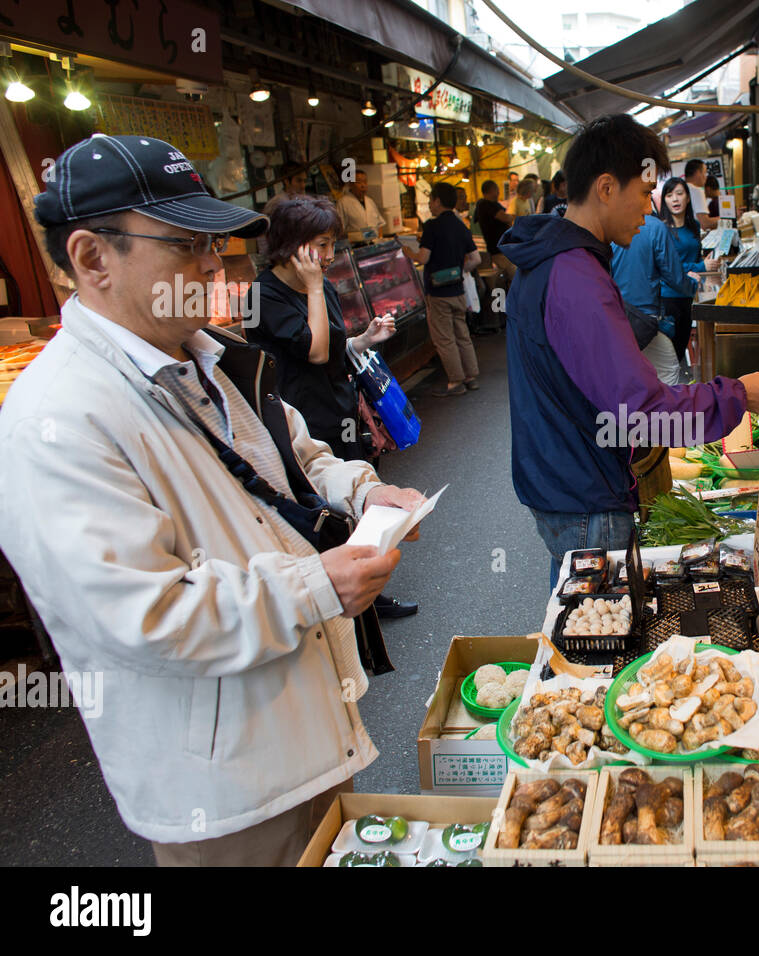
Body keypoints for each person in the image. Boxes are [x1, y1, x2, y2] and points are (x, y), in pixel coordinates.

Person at [1, 134, 427, 865]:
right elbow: (145, 613)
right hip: (226, 787)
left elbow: (292, 450)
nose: (211, 265)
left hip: (307, 727)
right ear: (92, 257)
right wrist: (315, 585)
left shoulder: (205, 353)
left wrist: (361, 487)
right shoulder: (57, 419)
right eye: (185, 245)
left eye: (215, 245)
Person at [497, 114, 759, 588]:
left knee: (574, 618)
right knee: (599, 638)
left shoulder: (549, 259)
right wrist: (737, 395)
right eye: (644, 191)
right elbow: (641, 410)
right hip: (585, 492)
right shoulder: (575, 278)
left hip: (559, 479)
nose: (650, 208)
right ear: (607, 187)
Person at [247, 195, 419, 621]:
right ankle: (334, 598)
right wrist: (310, 288)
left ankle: (368, 593)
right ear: (291, 243)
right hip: (301, 420)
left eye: (331, 245)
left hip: (339, 408)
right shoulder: (263, 295)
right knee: (323, 509)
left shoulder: (321, 285)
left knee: (359, 498)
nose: (328, 256)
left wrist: (365, 339)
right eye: (320, 245)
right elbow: (317, 351)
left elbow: (337, 348)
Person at [405, 180, 481, 396]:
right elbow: (475, 259)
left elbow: (423, 257)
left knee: (444, 338)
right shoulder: (460, 225)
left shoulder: (432, 226)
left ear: (438, 201)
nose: (429, 204)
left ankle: (455, 381)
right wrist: (457, 271)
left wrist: (408, 253)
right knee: (462, 334)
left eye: (430, 200)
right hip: (458, 290)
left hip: (437, 293)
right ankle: (471, 376)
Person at [610, 208, 698, 386]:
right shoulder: (653, 226)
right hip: (642, 319)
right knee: (669, 369)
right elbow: (674, 277)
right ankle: (661, 412)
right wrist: (694, 286)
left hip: (614, 317)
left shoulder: (607, 224)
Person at [657, 176, 719, 369]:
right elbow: (666, 268)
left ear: (688, 198)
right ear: (664, 200)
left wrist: (704, 262)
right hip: (668, 298)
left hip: (690, 294)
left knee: (682, 348)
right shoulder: (662, 230)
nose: (675, 199)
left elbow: (692, 258)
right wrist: (701, 267)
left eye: (679, 193)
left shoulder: (694, 226)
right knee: (671, 354)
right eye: (669, 195)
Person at [474, 180, 516, 283]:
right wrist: (512, 217)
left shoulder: (492, 204)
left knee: (507, 277)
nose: (498, 193)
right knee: (515, 275)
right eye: (496, 190)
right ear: (492, 190)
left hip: (502, 248)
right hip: (499, 249)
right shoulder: (485, 205)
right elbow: (505, 217)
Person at [336, 170, 386, 235]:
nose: (363, 185)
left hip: (374, 242)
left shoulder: (370, 201)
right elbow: (338, 229)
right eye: (359, 182)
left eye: (365, 182)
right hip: (355, 244)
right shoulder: (343, 202)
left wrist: (380, 239)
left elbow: (380, 224)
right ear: (351, 184)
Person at [683, 159, 719, 231]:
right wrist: (727, 219)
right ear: (698, 173)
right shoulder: (697, 191)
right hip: (694, 236)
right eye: (705, 173)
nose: (706, 177)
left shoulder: (681, 188)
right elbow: (704, 223)